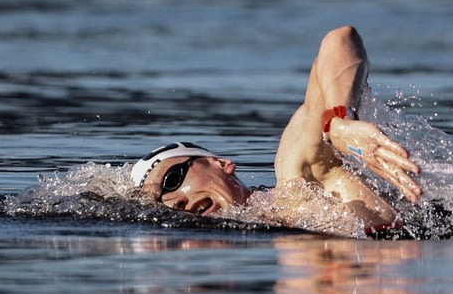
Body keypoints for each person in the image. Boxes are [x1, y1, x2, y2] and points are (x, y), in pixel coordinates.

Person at [131, 26, 423, 233]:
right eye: (161, 202)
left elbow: (340, 40)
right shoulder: (285, 260)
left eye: (172, 180)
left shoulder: (297, 177)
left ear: (220, 163)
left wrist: (337, 122)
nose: (175, 201)